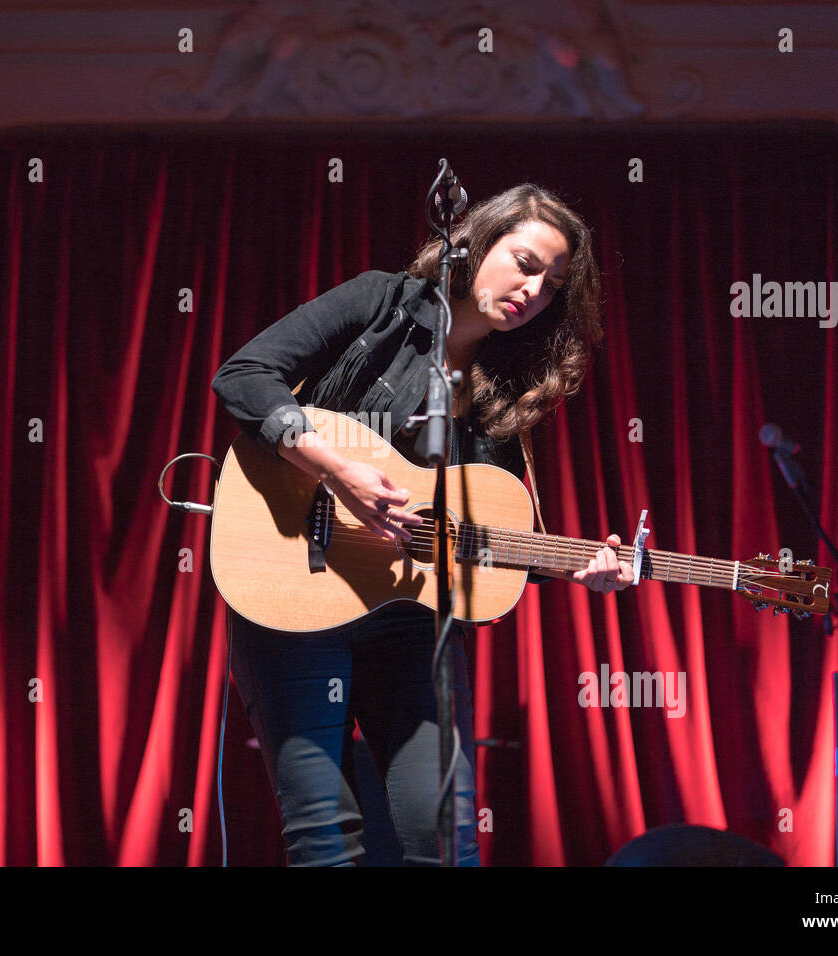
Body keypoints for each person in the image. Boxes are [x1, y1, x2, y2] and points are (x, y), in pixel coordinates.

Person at [211, 183, 633, 867]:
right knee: (325, 845)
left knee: (445, 843)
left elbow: (478, 540)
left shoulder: (507, 386)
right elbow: (245, 374)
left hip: (412, 620)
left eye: (554, 286)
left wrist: (575, 566)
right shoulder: (380, 302)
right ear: (476, 244)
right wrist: (336, 471)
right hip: (291, 594)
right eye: (525, 262)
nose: (535, 290)